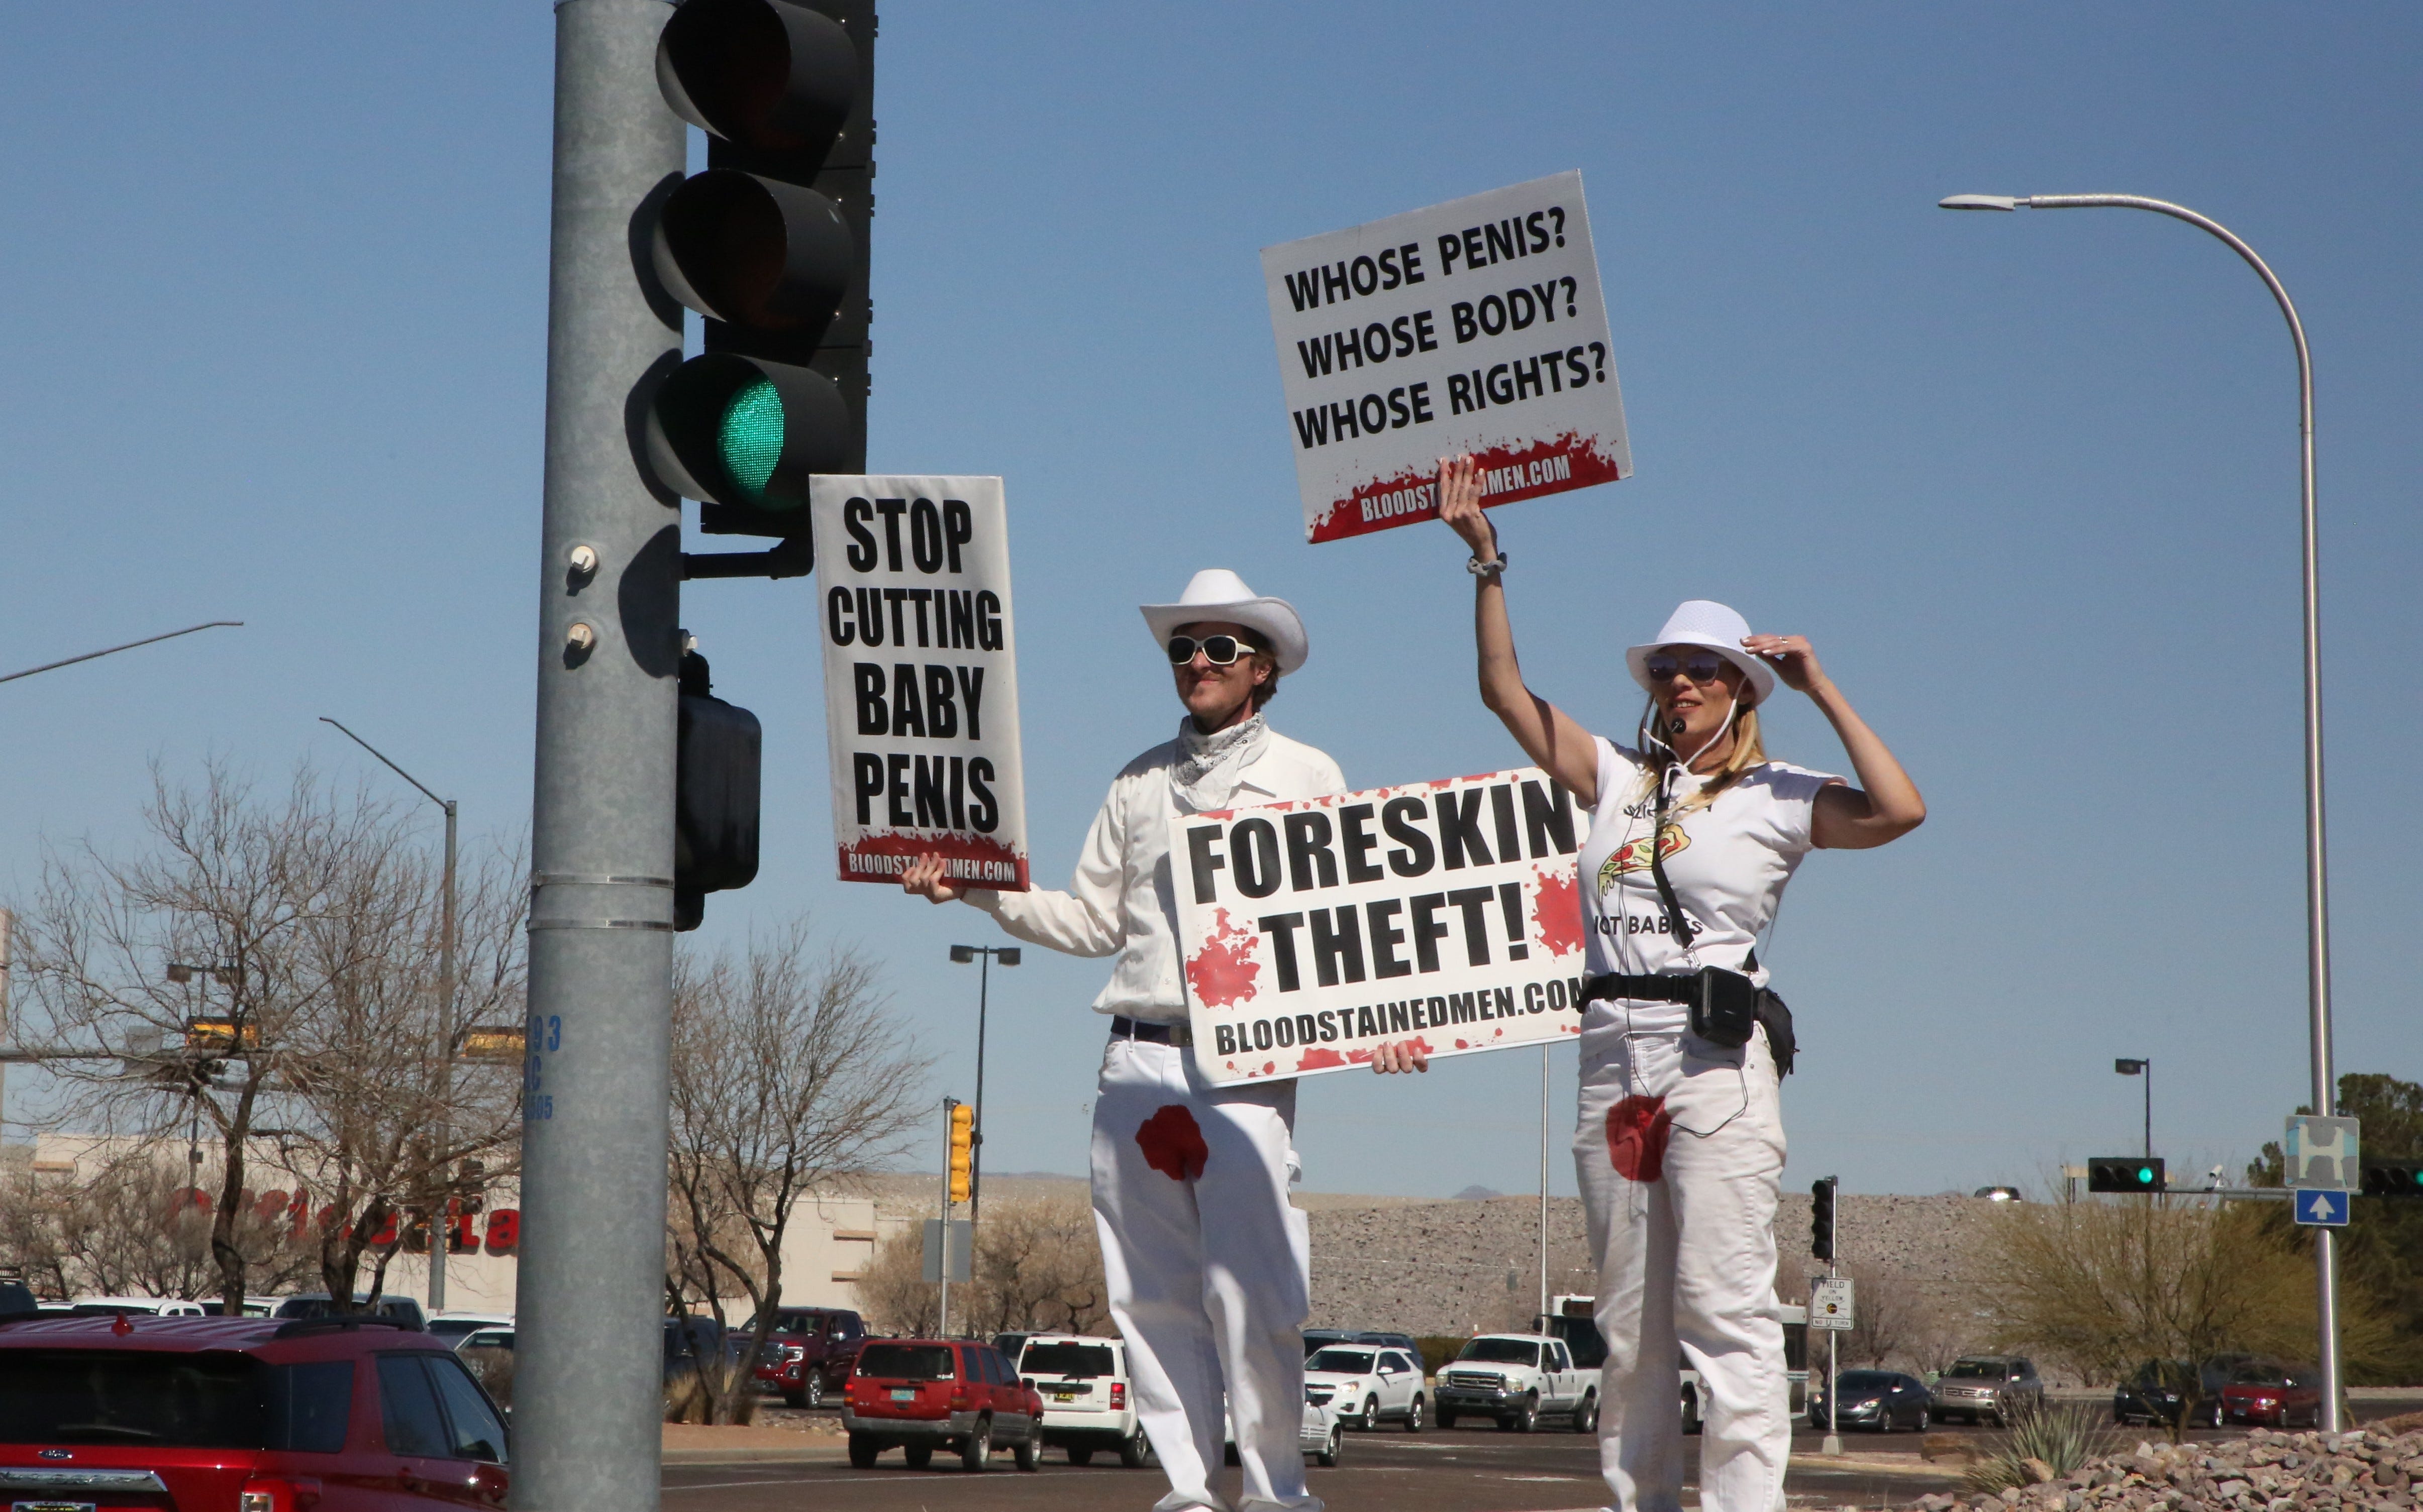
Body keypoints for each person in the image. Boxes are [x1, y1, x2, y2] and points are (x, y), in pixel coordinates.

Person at [1374, 454, 1926, 1512]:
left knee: (1723, 1306)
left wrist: (1819, 686)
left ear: (1741, 687)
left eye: (1703, 668)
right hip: (1609, 1053)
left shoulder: (1776, 793)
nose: (1679, 682)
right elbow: (1502, 692)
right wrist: (1486, 563)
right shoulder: (1617, 780)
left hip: (1711, 1057)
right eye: (1665, 668)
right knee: (1627, 1320)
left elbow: (1898, 810)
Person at [901, 568, 1342, 1512]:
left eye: (1218, 647)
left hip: (1245, 1062)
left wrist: (1389, 1021)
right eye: (1182, 647)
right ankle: (1189, 1487)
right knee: (1148, 1293)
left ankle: (1275, 1492)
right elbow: (1092, 917)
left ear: (1262, 668)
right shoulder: (1138, 779)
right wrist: (977, 888)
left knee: (1255, 1292)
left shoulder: (1308, 775)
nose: (1196, 662)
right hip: (1136, 1057)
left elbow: (1345, 922)